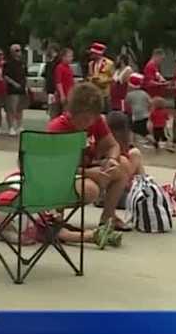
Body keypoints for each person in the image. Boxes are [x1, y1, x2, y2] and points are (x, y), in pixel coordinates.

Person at [46, 82, 131, 241]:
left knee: (122, 166)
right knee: (90, 189)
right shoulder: (58, 127)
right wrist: (88, 173)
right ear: (73, 112)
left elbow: (113, 145)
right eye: (85, 118)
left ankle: (108, 217)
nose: (89, 122)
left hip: (85, 169)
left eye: (93, 117)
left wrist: (111, 160)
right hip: (63, 176)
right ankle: (56, 216)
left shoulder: (96, 121)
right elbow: (55, 167)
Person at [2, 43, 27, 135]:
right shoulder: (7, 63)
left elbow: (25, 76)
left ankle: (19, 126)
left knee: (20, 109)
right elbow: (5, 76)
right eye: (17, 50)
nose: (19, 52)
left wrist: (26, 86)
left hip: (22, 89)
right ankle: (11, 127)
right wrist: (14, 84)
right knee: (11, 109)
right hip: (12, 90)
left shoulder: (22, 63)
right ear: (12, 52)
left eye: (20, 50)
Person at [125, 73, 151, 142]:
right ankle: (153, 142)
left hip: (136, 117)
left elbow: (126, 104)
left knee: (132, 131)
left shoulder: (129, 95)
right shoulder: (144, 93)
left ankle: (131, 144)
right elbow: (150, 102)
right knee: (143, 132)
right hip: (145, 116)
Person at [87, 42, 113, 109]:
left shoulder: (109, 63)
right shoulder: (91, 64)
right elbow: (89, 76)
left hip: (105, 93)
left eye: (92, 53)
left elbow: (113, 78)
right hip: (94, 93)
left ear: (97, 53)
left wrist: (102, 81)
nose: (91, 55)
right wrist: (91, 79)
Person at [54, 47, 76, 113]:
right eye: (69, 56)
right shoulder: (60, 67)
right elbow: (59, 82)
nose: (71, 58)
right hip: (64, 94)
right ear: (63, 57)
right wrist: (62, 95)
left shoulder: (69, 68)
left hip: (70, 94)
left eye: (72, 56)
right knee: (64, 112)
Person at [43, 46, 61, 118]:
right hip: (50, 89)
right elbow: (46, 77)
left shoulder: (57, 63)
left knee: (55, 107)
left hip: (54, 88)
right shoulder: (48, 64)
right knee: (51, 106)